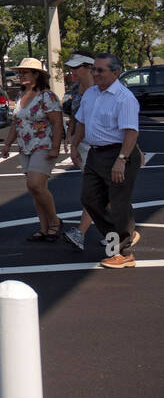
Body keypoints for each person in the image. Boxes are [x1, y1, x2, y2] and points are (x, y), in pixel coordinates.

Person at [69, 54, 143, 268]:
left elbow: (131, 132)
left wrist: (121, 160)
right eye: (94, 69)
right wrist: (74, 146)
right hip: (95, 154)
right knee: (89, 199)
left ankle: (124, 253)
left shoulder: (124, 97)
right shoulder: (91, 94)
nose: (95, 73)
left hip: (119, 153)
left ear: (115, 73)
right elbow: (82, 122)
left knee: (118, 204)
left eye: (101, 70)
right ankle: (124, 236)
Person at [0, 57, 64, 242]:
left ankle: (55, 222)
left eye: (25, 72)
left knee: (35, 184)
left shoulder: (47, 95)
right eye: (19, 73)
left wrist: (56, 148)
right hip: (25, 147)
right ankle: (44, 228)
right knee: (36, 189)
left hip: (43, 145)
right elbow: (16, 123)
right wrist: (7, 144)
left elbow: (57, 123)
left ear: (37, 75)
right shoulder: (20, 97)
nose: (20, 75)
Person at [60, 52, 97, 250]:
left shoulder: (101, 90)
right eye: (71, 67)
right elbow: (75, 114)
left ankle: (80, 233)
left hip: (99, 146)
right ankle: (121, 229)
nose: (71, 71)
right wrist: (71, 137)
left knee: (93, 192)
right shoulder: (76, 88)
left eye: (75, 68)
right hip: (82, 144)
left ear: (89, 68)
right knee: (100, 193)